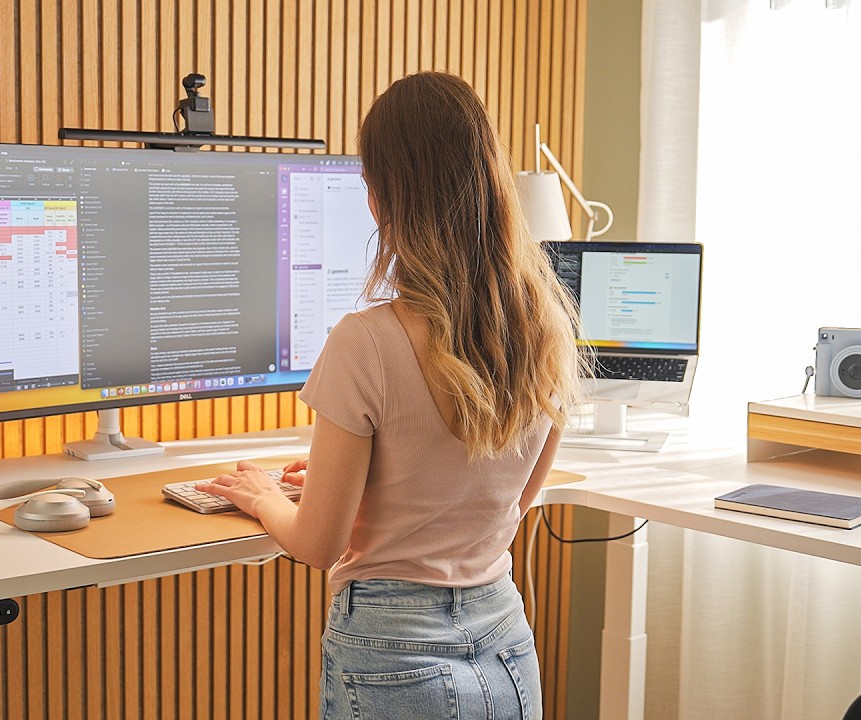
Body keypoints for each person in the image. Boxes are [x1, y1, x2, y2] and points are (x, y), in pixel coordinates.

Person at [195, 71, 582, 719]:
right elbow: (508, 504)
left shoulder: (366, 341)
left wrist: (265, 498)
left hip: (394, 651)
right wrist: (372, 481)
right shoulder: (545, 327)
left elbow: (318, 545)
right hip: (505, 642)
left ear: (380, 200)